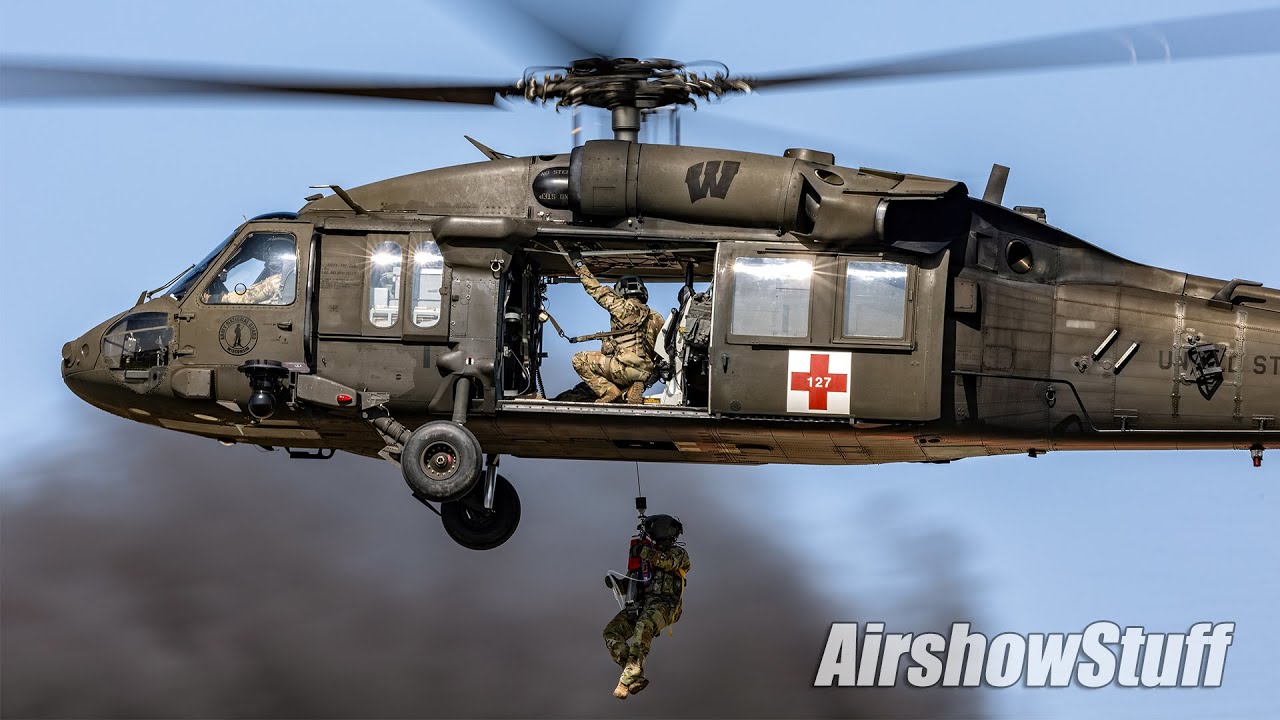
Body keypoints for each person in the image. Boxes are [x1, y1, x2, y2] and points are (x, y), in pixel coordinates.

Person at [603, 514, 690, 699]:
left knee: (643, 626)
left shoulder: (679, 554)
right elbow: (630, 584)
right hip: (641, 604)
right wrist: (616, 583)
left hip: (665, 605)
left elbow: (667, 562)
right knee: (611, 632)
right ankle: (635, 675)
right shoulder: (643, 557)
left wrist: (643, 551)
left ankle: (627, 679)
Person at [565, 249, 665, 404]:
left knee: (579, 359)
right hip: (646, 373)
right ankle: (630, 390)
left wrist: (578, 264)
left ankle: (609, 391)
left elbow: (595, 289)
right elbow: (662, 351)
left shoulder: (620, 307)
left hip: (623, 368)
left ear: (621, 291)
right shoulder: (657, 317)